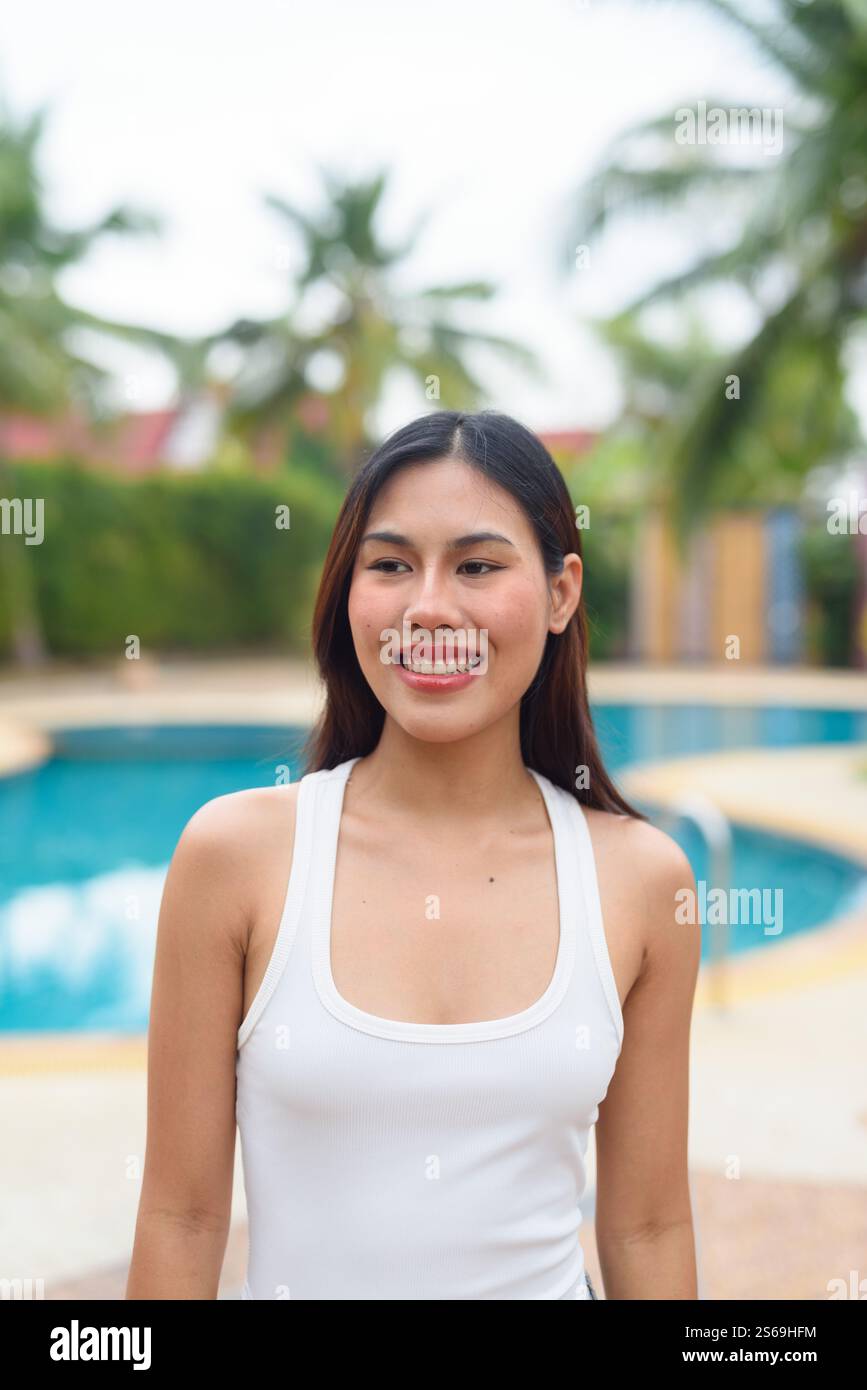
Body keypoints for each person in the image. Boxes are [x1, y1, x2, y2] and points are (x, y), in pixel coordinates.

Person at [126, 409, 700, 1300]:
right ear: (347, 592)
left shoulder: (640, 880)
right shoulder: (235, 857)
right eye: (390, 565)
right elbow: (181, 1216)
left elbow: (648, 1226)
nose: (429, 607)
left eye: (477, 565)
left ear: (559, 593)